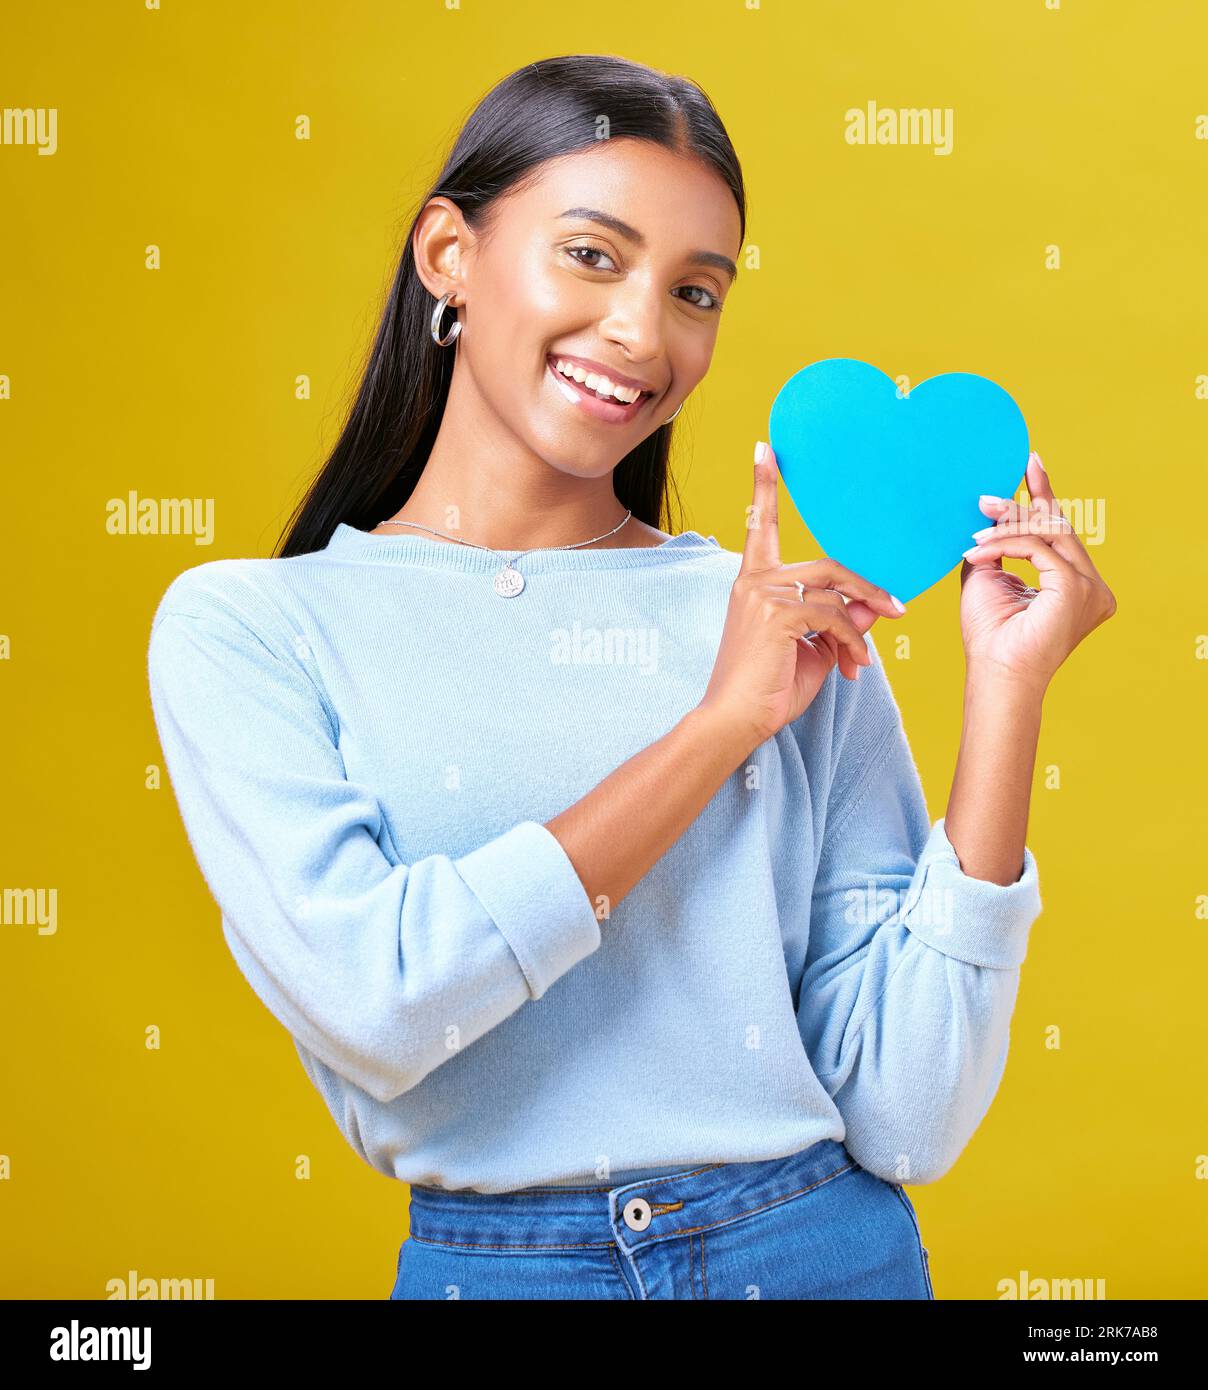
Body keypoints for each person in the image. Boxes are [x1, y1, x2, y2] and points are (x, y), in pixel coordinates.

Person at [145, 54, 1116, 1301]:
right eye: (592, 255)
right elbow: (385, 1007)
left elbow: (905, 1115)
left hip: (822, 1251)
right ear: (448, 253)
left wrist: (1004, 694)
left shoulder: (779, 624)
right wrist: (715, 729)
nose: (640, 333)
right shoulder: (251, 627)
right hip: (498, 1272)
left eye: (694, 291)